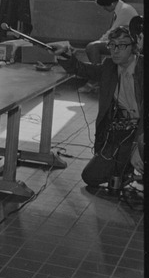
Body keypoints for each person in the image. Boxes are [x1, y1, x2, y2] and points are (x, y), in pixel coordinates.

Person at [48, 25, 143, 189]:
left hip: (143, 133)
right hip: (122, 132)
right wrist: (65, 55)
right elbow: (80, 68)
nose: (115, 50)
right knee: (90, 176)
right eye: (112, 45)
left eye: (122, 45)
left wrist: (137, 146)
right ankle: (126, 168)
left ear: (134, 47)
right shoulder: (109, 67)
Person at [85, 0, 139, 65]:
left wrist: (97, 43)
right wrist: (98, 42)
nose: (104, 8)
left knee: (92, 47)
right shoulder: (121, 8)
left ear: (112, 3)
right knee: (94, 45)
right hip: (125, 42)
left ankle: (97, 74)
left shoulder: (124, 10)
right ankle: (99, 71)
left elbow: (111, 33)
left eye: (105, 6)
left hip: (131, 45)